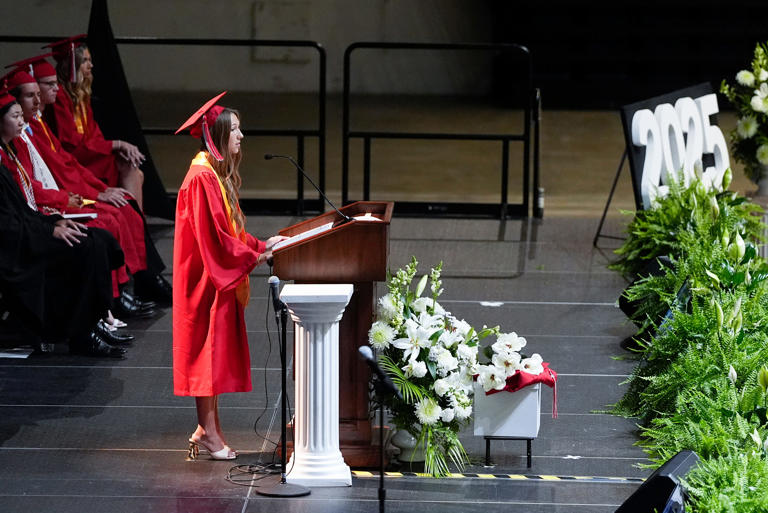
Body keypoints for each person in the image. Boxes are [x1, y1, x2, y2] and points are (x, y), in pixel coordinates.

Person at [173, 92, 287, 460]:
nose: (241, 136)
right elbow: (218, 241)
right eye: (235, 130)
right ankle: (208, 431)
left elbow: (230, 231)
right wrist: (256, 254)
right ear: (218, 135)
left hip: (212, 276)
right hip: (204, 279)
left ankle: (208, 427)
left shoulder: (212, 174)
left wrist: (259, 243)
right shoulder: (202, 178)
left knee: (212, 355)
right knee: (205, 355)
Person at [22, 51, 171, 307]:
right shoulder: (33, 128)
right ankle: (127, 287)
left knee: (128, 192)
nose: (92, 64)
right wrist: (92, 193)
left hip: (77, 175)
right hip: (67, 186)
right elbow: (67, 158)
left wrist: (100, 186)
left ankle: (137, 280)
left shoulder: (43, 121)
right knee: (117, 210)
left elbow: (66, 161)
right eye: (86, 60)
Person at [0, 90, 127, 358]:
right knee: (83, 246)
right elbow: (7, 224)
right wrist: (49, 229)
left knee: (97, 238)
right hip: (14, 248)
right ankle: (81, 334)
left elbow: (22, 210)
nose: (22, 121)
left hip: (27, 230)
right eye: (15, 116)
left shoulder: (8, 153)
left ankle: (92, 322)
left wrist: (54, 222)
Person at [43, 34, 145, 209]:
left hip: (87, 154)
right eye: (85, 61)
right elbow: (70, 144)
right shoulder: (60, 96)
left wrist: (115, 147)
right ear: (71, 65)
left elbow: (94, 135)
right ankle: (136, 223)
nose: (91, 65)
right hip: (73, 158)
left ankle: (134, 221)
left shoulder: (81, 96)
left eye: (90, 60)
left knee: (131, 166)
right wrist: (116, 144)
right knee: (129, 168)